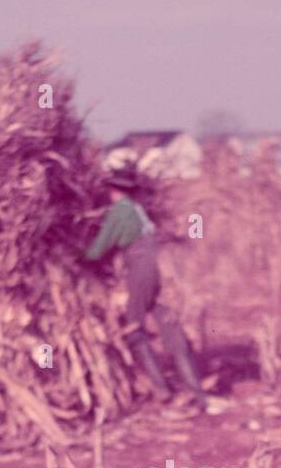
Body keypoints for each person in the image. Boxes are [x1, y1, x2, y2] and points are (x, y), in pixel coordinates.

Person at [85, 167, 208, 409]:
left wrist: (80, 256)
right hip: (159, 268)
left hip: (141, 268)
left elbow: (98, 249)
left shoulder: (120, 211)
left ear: (113, 191)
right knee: (171, 327)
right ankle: (196, 393)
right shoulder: (137, 209)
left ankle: (162, 391)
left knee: (134, 330)